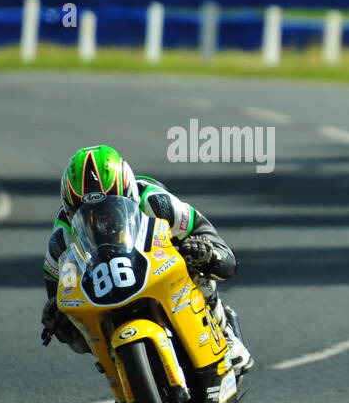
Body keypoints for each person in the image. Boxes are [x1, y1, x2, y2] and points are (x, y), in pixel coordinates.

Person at [40, 144, 253, 374]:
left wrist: (210, 252)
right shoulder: (61, 237)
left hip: (155, 259)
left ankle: (223, 331)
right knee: (69, 329)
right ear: (70, 210)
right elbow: (58, 290)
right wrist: (56, 314)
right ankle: (114, 366)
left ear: (128, 192)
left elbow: (206, 234)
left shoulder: (157, 201)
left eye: (110, 207)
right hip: (103, 282)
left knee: (199, 258)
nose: (102, 219)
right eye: (86, 212)